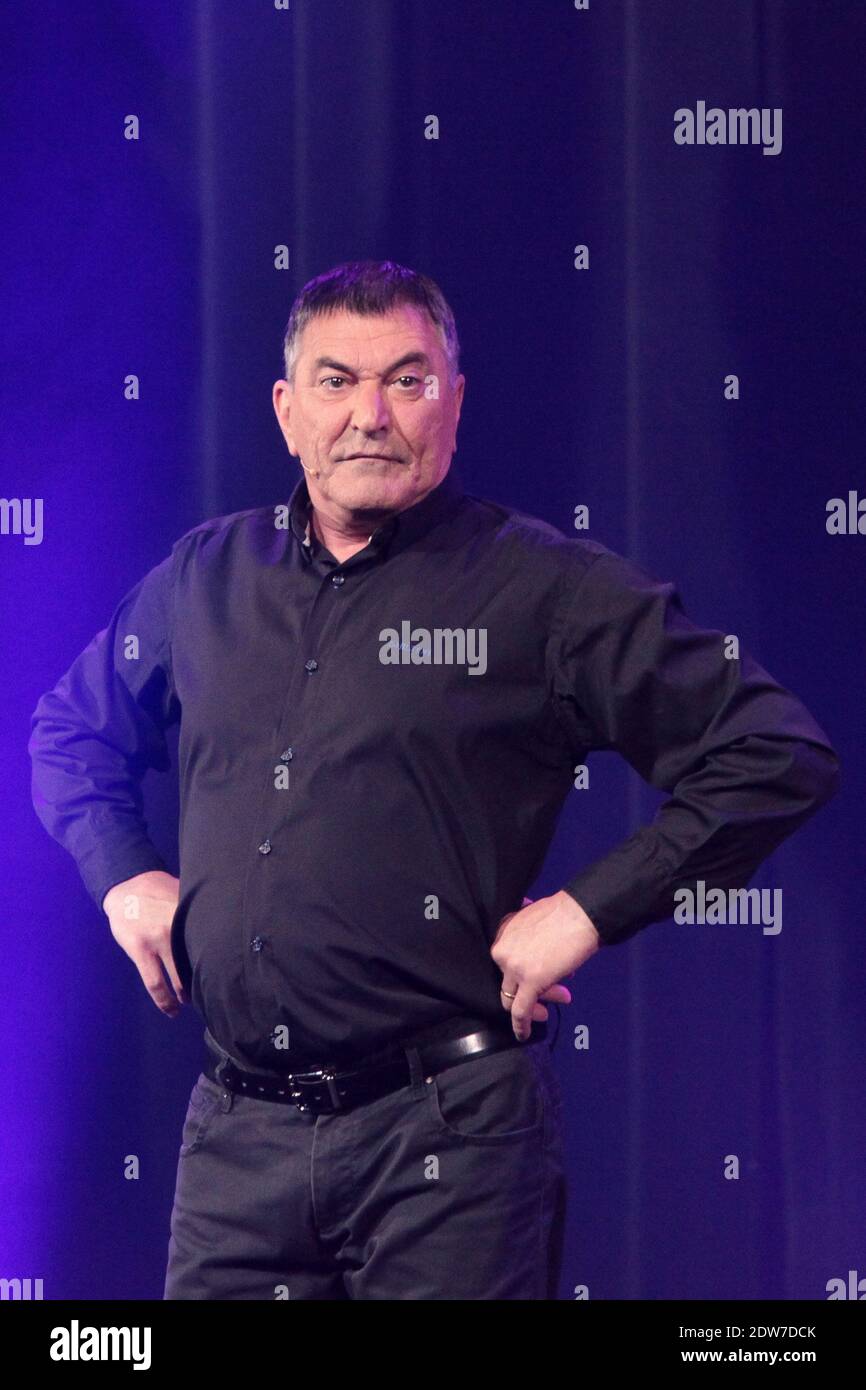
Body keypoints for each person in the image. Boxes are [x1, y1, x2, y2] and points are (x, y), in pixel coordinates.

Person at [29, 259, 840, 1301]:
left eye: (406, 381)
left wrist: (587, 910)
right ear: (287, 411)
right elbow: (69, 731)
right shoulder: (204, 579)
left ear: (452, 404)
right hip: (237, 1143)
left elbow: (773, 751)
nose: (369, 413)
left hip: (447, 1147)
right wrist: (121, 875)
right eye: (335, 381)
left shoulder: (542, 588)